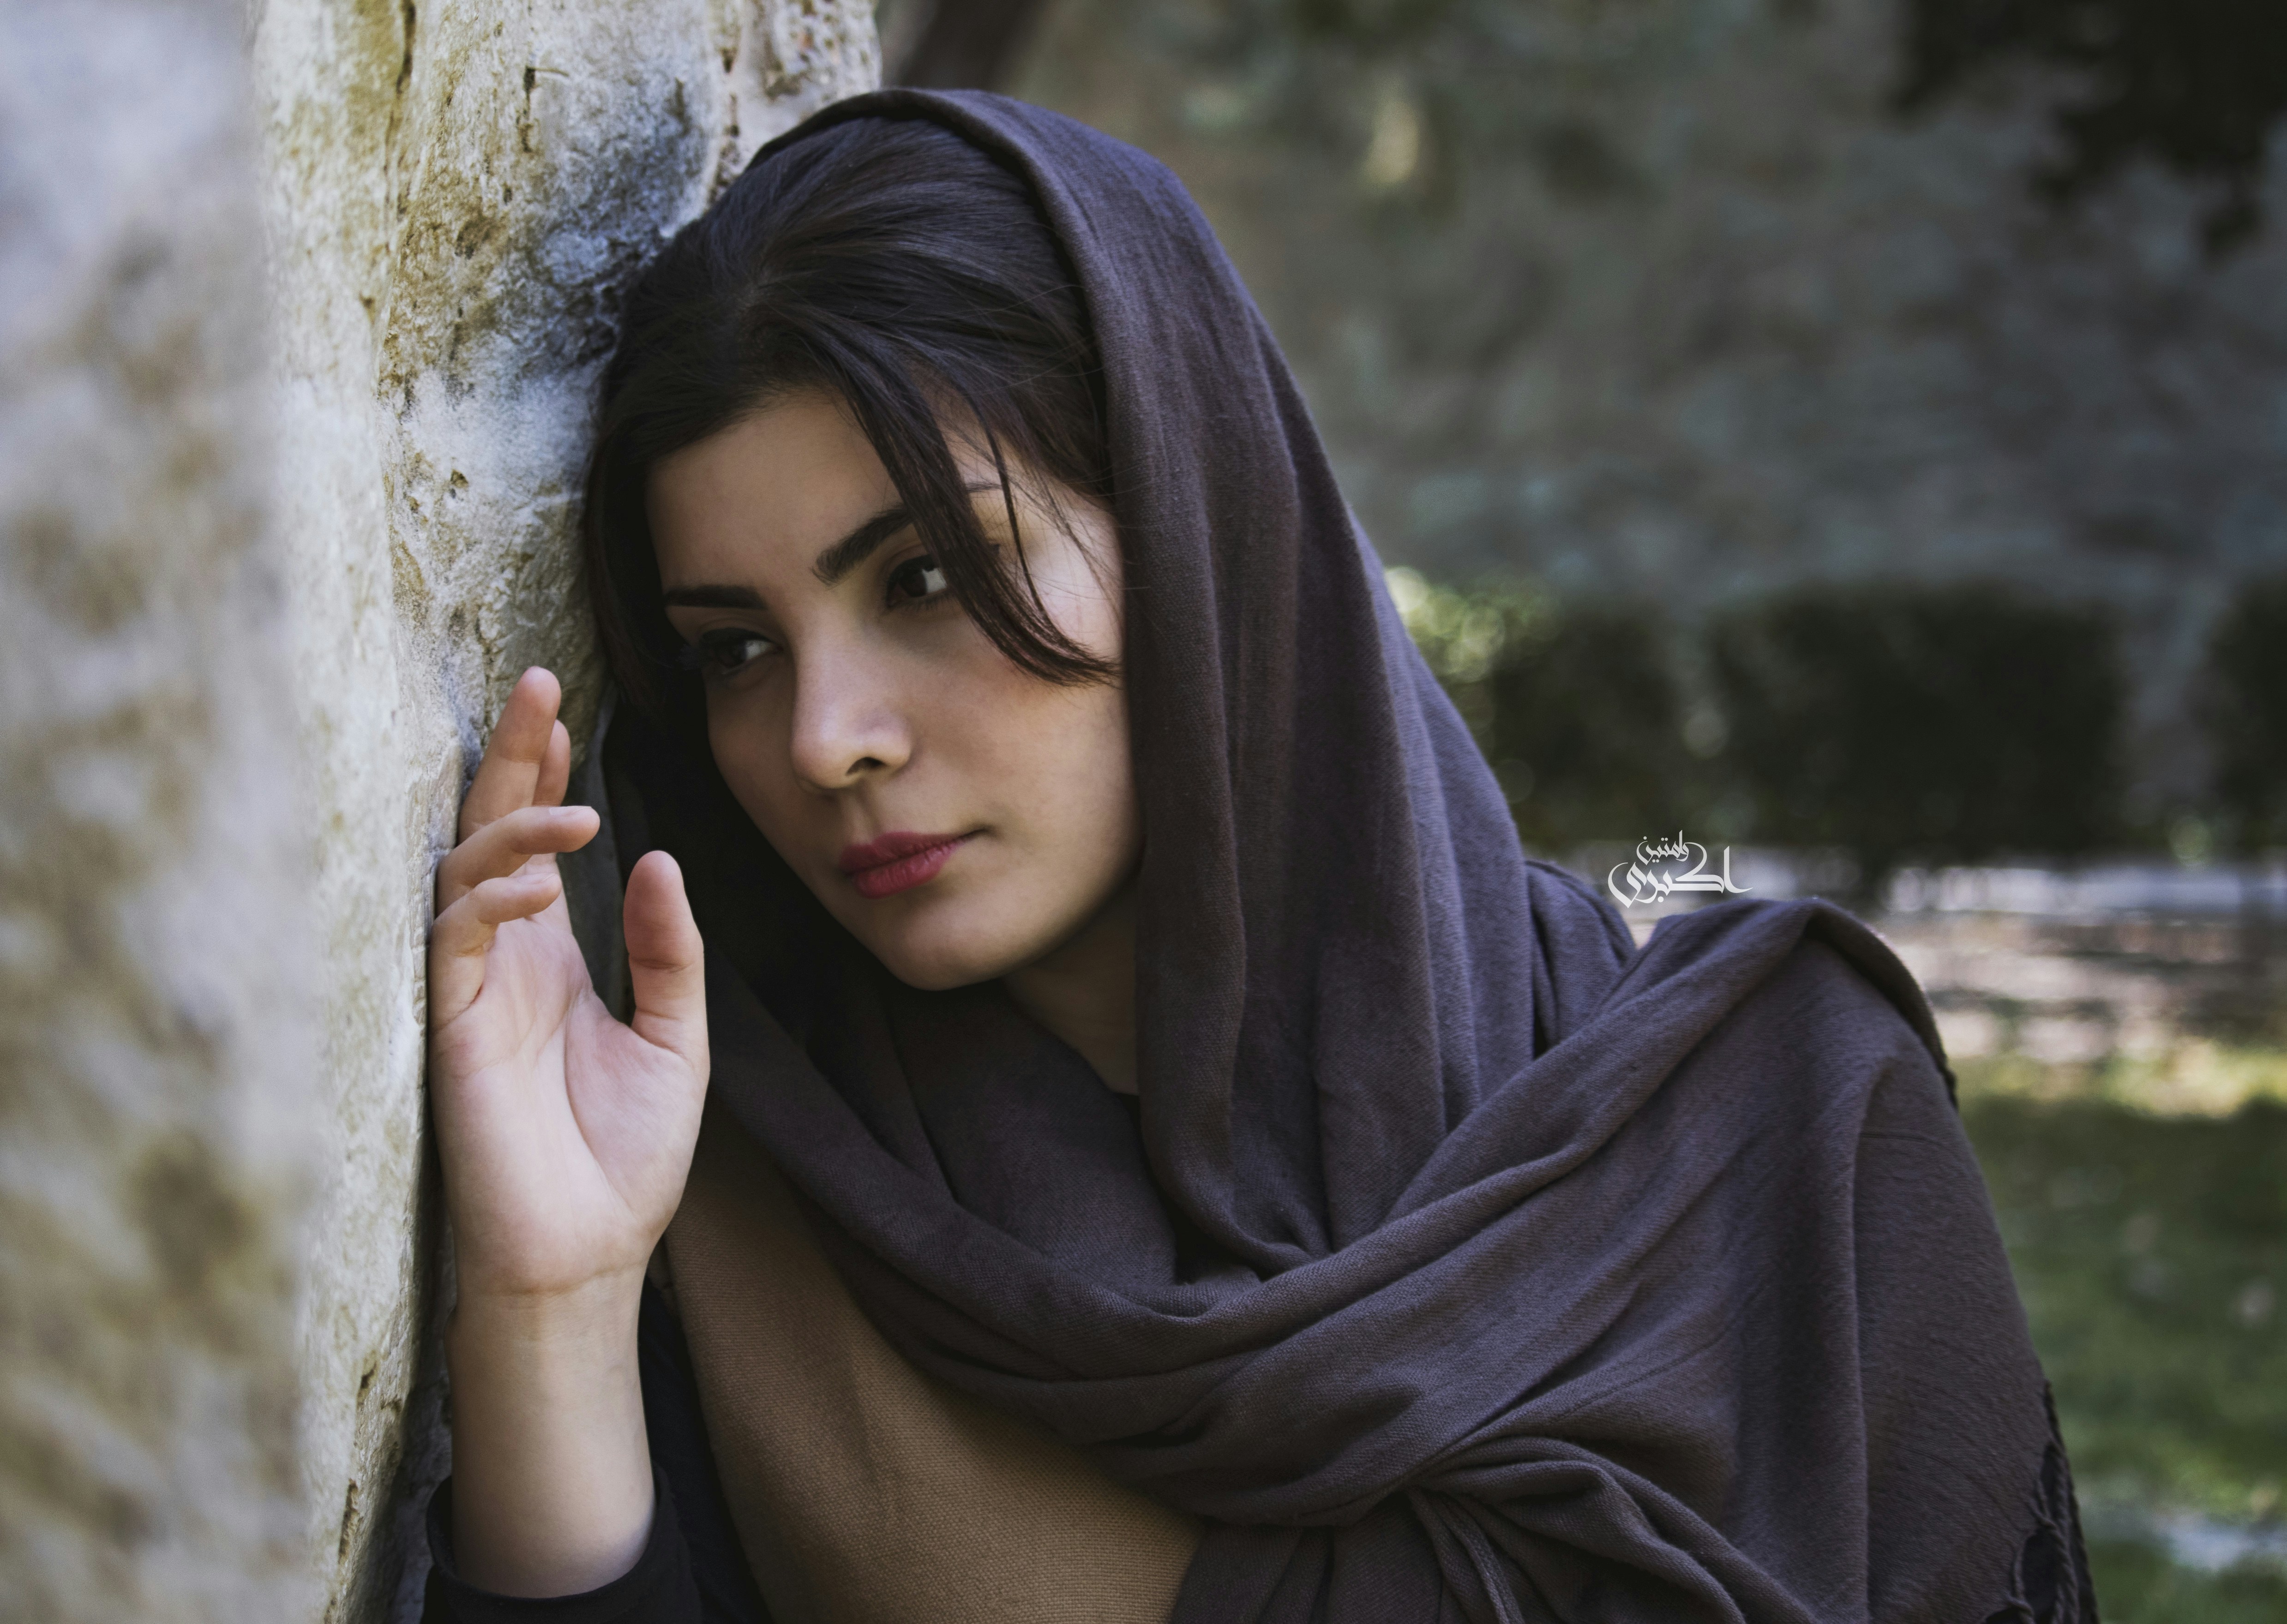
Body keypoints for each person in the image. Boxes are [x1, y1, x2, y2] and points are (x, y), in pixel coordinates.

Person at [419, 90, 2095, 1624]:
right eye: (735, 648)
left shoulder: (1780, 1124)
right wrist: (554, 1307)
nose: (820, 739)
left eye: (928, 578)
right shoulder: (742, 1213)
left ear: (1203, 535)